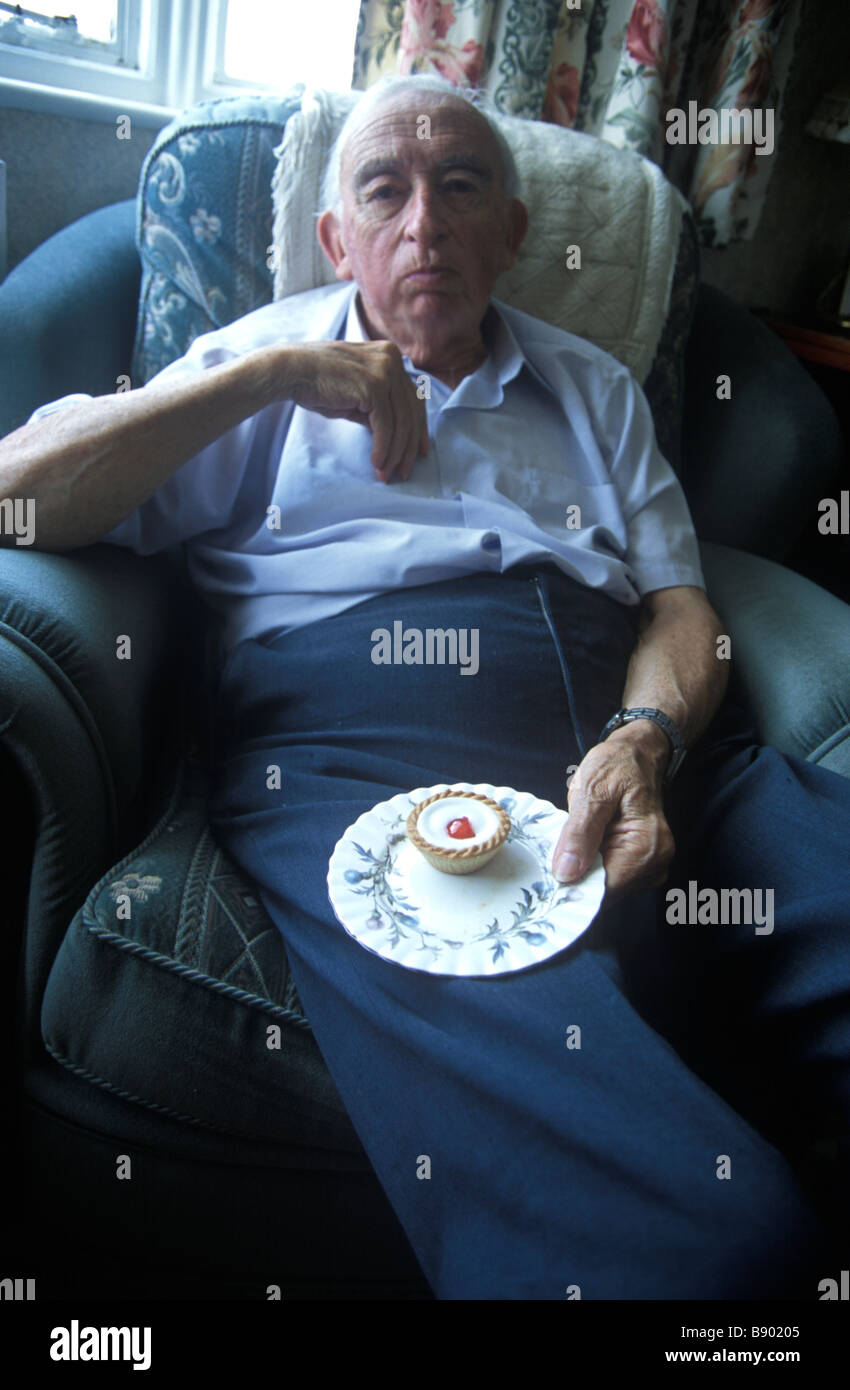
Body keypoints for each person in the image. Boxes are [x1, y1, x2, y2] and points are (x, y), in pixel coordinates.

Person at [1, 73, 848, 1301]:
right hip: (364, 767)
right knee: (720, 1246)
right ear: (336, 238)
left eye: (459, 188)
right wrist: (269, 377)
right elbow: (17, 491)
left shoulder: (595, 391)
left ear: (510, 232)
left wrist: (647, 736)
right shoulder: (252, 364)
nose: (425, 224)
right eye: (384, 193)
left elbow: (681, 608)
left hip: (635, 744)